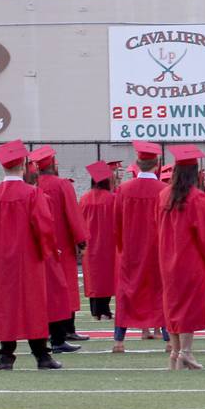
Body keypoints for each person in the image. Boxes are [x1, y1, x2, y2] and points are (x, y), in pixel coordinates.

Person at [0, 140, 60, 371]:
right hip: (29, 259)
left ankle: (6, 356)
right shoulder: (33, 194)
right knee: (33, 305)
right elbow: (44, 226)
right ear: (23, 165)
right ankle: (42, 356)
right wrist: (47, 251)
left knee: (5, 306)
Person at [158, 146, 205, 371]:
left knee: (172, 305)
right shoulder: (197, 198)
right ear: (195, 173)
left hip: (167, 258)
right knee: (187, 307)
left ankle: (174, 352)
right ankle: (186, 351)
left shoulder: (164, 195)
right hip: (190, 259)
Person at [30, 146, 87, 353]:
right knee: (63, 290)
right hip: (61, 244)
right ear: (53, 165)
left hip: (38, 245)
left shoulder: (33, 186)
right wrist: (81, 241)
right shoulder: (62, 185)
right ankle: (62, 333)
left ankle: (45, 333)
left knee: (43, 289)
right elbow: (72, 214)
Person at [112, 141, 166, 352]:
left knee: (126, 292)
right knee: (160, 291)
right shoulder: (164, 190)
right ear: (157, 164)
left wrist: (122, 247)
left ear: (137, 163)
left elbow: (117, 223)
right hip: (157, 250)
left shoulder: (124, 190)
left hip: (131, 249)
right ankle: (169, 341)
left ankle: (119, 341)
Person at [80, 161, 118, 322]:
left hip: (89, 244)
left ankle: (96, 310)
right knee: (107, 277)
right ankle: (105, 310)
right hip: (108, 243)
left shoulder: (84, 198)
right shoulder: (112, 198)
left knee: (93, 276)